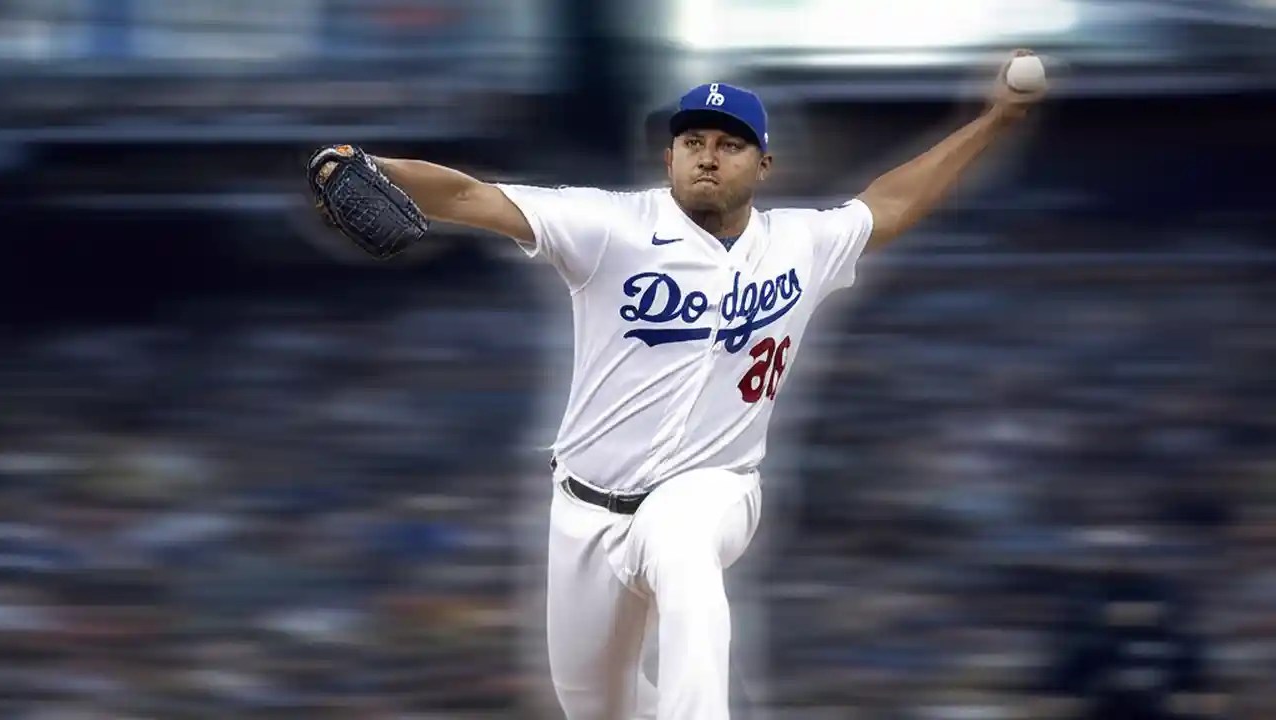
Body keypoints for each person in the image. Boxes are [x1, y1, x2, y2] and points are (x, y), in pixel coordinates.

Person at [315, 50, 1046, 720]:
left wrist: (994, 120)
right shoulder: (609, 227)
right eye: (693, 142)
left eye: (729, 145)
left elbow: (892, 202)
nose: (707, 157)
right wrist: (359, 161)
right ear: (668, 156)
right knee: (593, 705)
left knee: (684, 551)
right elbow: (473, 197)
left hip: (714, 489)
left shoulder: (800, 244)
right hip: (583, 514)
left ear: (764, 165)